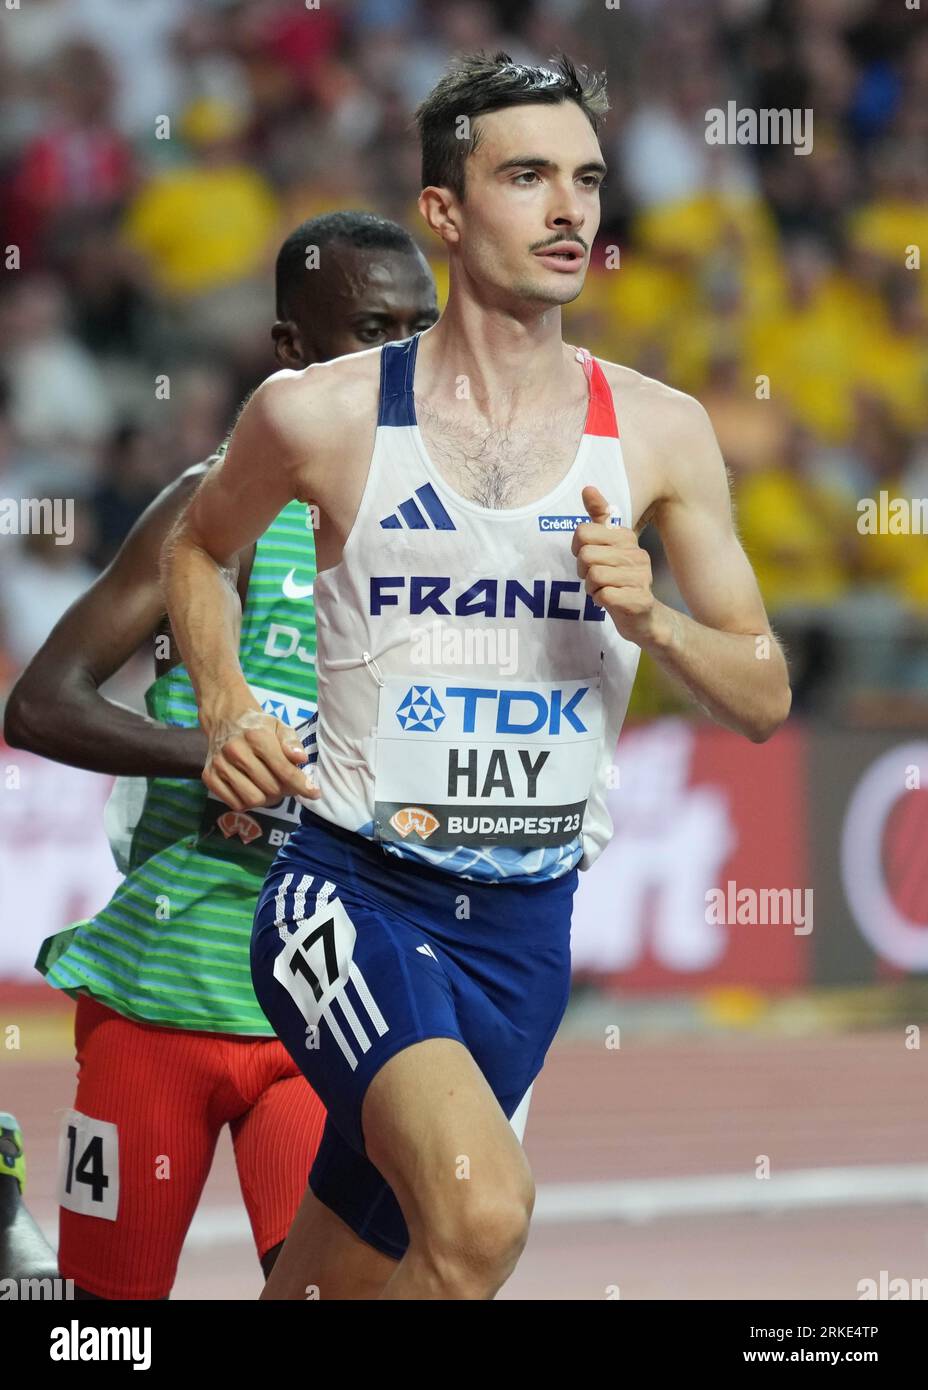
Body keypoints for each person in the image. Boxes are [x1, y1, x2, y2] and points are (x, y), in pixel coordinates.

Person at [162, 54, 791, 1302]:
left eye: (587, 181)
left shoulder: (661, 429)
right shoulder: (320, 414)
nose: (571, 210)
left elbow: (764, 691)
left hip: (524, 933)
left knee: (343, 1282)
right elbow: (195, 544)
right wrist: (226, 699)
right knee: (485, 1216)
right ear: (444, 213)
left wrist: (651, 616)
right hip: (352, 894)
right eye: (527, 177)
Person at [4, 211, 439, 1300]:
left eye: (423, 328)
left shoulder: (451, 535)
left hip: (324, 1004)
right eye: (373, 329)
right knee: (105, 1328)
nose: (407, 360)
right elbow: (39, 703)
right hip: (163, 994)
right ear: (292, 349)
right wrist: (203, 750)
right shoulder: (214, 512)